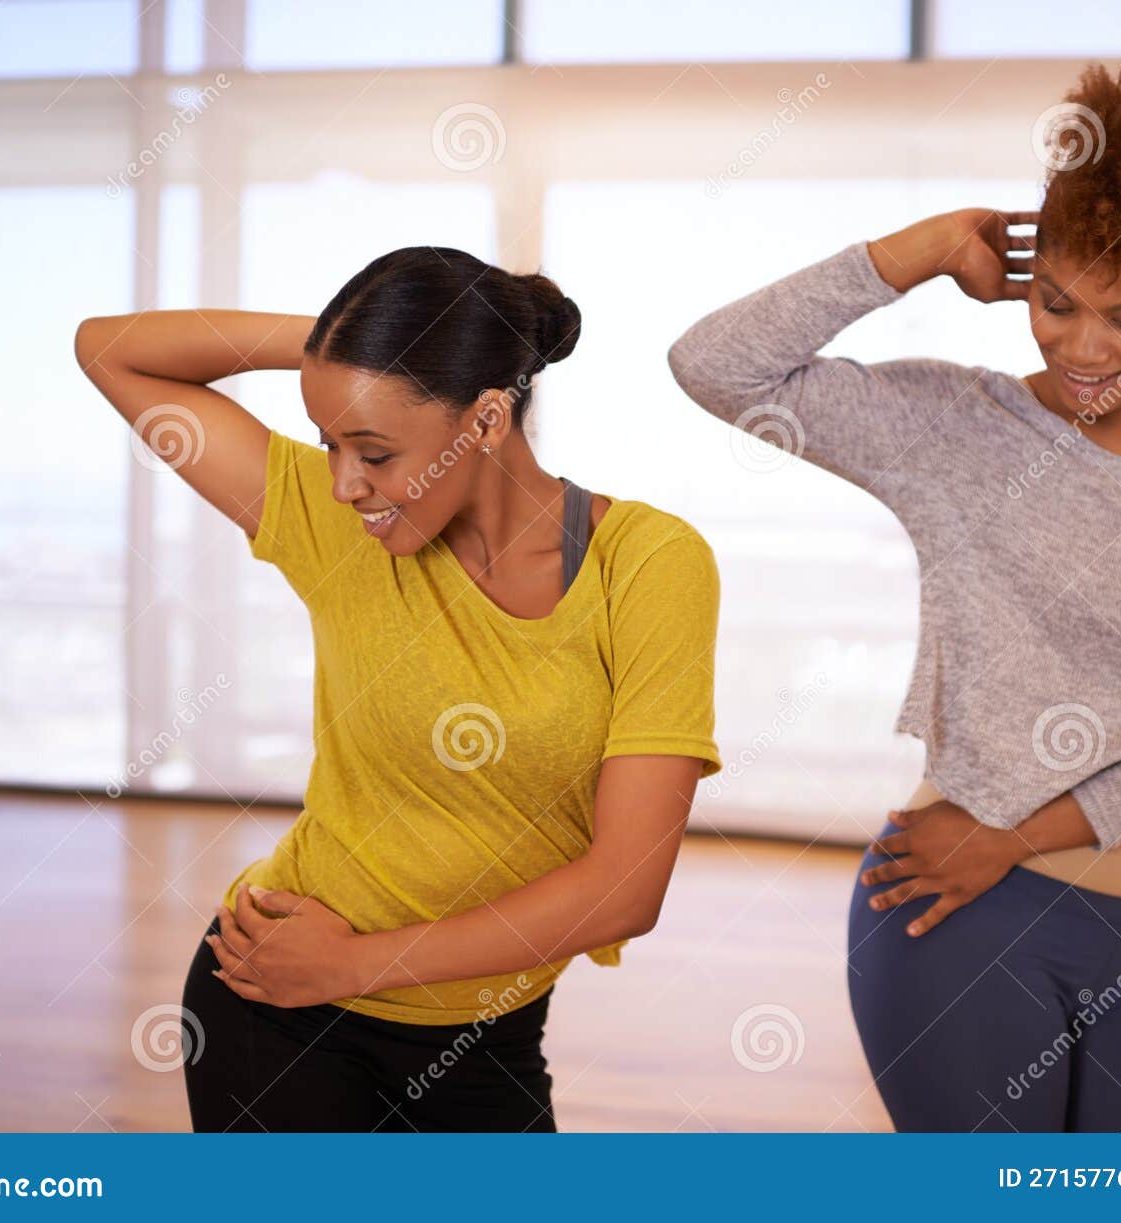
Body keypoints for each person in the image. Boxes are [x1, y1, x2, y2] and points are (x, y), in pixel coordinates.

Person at [667, 58, 1121, 1131]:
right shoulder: (957, 428)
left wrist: (1015, 833)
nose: (1082, 349)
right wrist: (915, 252)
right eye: (1053, 302)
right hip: (956, 912)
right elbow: (716, 365)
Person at [74, 246, 723, 1132]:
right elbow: (109, 349)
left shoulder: (647, 563)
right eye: (330, 444)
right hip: (275, 1003)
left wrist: (351, 963)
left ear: (487, 418)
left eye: (374, 450)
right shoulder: (336, 523)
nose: (345, 484)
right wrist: (348, 352)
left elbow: (625, 888)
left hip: (478, 1027)